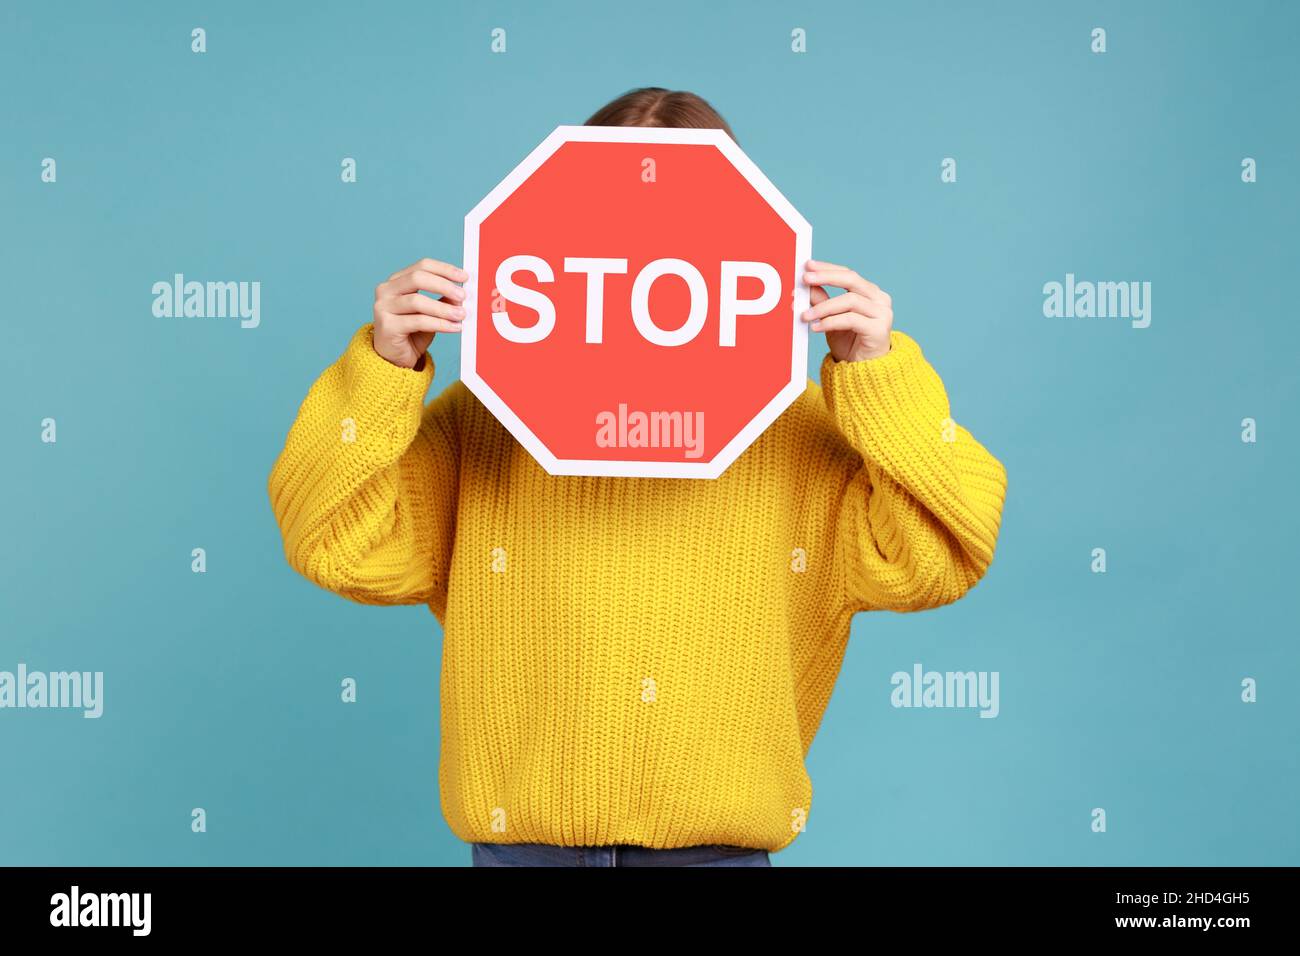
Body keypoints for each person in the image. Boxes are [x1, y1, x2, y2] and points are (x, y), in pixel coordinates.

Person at [267, 87, 1008, 867]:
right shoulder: (488, 416)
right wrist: (386, 368)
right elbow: (334, 542)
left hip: (716, 857)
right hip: (522, 854)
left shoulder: (801, 425)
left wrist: (879, 375)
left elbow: (944, 551)